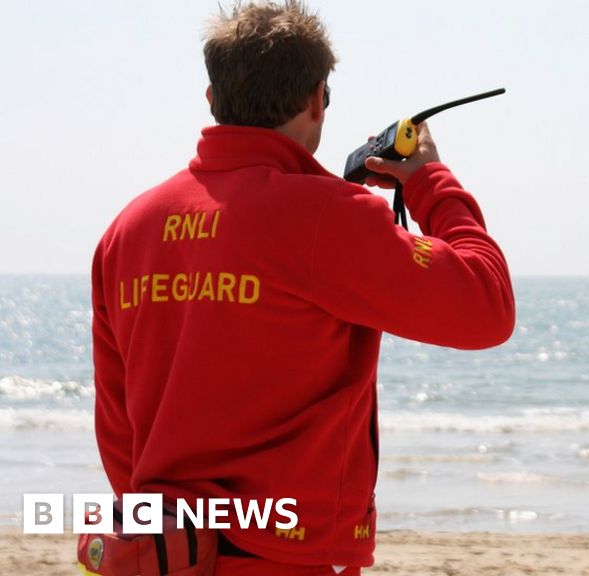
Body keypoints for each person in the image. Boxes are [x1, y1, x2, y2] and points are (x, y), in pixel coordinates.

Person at [88, 2, 515, 574]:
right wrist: (429, 181)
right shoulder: (329, 216)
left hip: (169, 554)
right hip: (290, 556)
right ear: (317, 99)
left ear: (213, 102)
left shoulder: (127, 229)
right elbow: (486, 307)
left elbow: (118, 430)